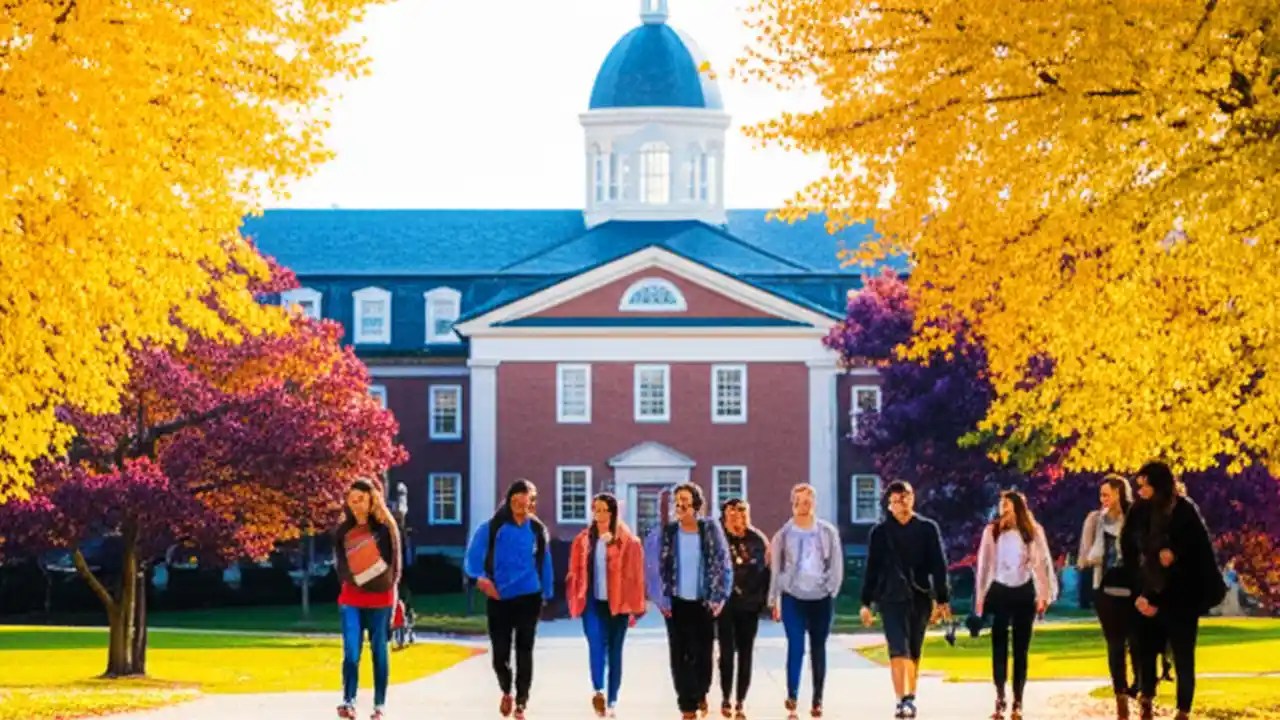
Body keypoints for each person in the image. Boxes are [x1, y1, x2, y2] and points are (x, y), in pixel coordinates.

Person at [1121, 461, 1225, 720]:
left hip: (1181, 596)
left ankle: (1183, 709)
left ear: (1158, 484)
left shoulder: (1183, 510)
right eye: (1139, 485)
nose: (1140, 490)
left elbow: (1200, 551)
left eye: (1145, 485)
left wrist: (1175, 554)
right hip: (1148, 590)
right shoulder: (1139, 511)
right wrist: (1140, 592)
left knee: (1182, 654)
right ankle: (1146, 696)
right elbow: (1129, 549)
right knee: (1145, 649)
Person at [858, 480, 951, 720]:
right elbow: (872, 569)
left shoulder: (927, 529)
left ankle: (911, 696)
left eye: (907, 497)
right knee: (897, 649)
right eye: (897, 500)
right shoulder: (880, 533)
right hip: (891, 597)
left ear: (913, 498)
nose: (903, 503)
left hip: (919, 596)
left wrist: (942, 599)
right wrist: (866, 603)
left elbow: (938, 566)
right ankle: (902, 699)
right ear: (889, 505)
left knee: (913, 651)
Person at [464, 479, 555, 720]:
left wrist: (547, 593)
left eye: (525, 504)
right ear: (508, 500)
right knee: (500, 654)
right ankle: (506, 690)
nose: (520, 507)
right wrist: (482, 580)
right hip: (500, 597)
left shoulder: (537, 530)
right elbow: (473, 559)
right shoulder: (492, 528)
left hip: (529, 596)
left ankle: (522, 702)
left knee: (525, 650)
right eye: (515, 502)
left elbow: (545, 562)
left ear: (532, 504)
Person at [644, 482, 734, 720]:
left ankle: (701, 691)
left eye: (685, 500)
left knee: (702, 653)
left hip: (704, 601)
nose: (680, 505)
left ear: (696, 504)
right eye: (677, 501)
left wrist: (719, 597)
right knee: (679, 653)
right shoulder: (669, 532)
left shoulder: (710, 528)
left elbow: (723, 563)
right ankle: (686, 705)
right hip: (676, 602)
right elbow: (655, 567)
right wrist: (661, 599)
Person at [974, 490, 1058, 720]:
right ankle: (1000, 696)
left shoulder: (1032, 531)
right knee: (998, 646)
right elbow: (984, 565)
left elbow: (1042, 564)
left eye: (1009, 506)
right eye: (1002, 506)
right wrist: (980, 597)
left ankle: (1018, 700)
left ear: (1018, 508)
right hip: (1000, 590)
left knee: (1021, 649)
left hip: (1023, 591)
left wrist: (1044, 594)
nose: (1005, 511)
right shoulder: (992, 532)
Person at [565, 493, 646, 718]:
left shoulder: (629, 542)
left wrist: (635, 609)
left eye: (604, 510)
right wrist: (574, 597)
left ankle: (612, 700)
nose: (599, 515)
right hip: (592, 602)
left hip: (618, 604)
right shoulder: (583, 540)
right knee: (595, 645)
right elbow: (574, 572)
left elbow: (635, 577)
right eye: (596, 510)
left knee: (615, 652)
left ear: (613, 513)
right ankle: (598, 691)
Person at [767, 484, 844, 719]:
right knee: (796, 647)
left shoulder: (827, 532)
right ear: (793, 504)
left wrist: (831, 588)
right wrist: (774, 598)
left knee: (818, 649)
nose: (803, 506)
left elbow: (836, 564)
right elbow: (776, 568)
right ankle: (792, 695)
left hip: (820, 598)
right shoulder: (784, 534)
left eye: (807, 501)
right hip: (793, 597)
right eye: (799, 501)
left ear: (814, 503)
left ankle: (817, 699)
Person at [333, 478, 402, 720]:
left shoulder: (385, 529)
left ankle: (379, 706)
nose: (356, 505)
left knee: (379, 653)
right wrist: (358, 577)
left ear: (372, 499)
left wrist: (391, 598)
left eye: (360, 499)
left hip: (380, 601)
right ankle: (348, 701)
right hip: (351, 600)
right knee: (351, 652)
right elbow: (342, 568)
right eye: (351, 500)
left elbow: (393, 568)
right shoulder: (343, 531)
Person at [1079, 474, 1141, 716]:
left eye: (1107, 494)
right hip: (1105, 589)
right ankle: (1120, 695)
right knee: (1115, 644)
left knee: (1137, 641)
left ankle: (1140, 686)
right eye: (1101, 495)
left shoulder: (1135, 519)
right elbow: (1084, 557)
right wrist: (1092, 555)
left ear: (1119, 493)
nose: (1103, 499)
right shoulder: (1096, 521)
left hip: (1134, 588)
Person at [718, 498, 771, 720]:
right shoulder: (718, 539)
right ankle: (726, 697)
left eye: (741, 512)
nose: (736, 516)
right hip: (724, 605)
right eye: (731, 512)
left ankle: (740, 700)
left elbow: (766, 572)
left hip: (749, 605)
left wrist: (763, 601)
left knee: (746, 653)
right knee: (726, 653)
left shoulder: (757, 540)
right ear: (724, 515)